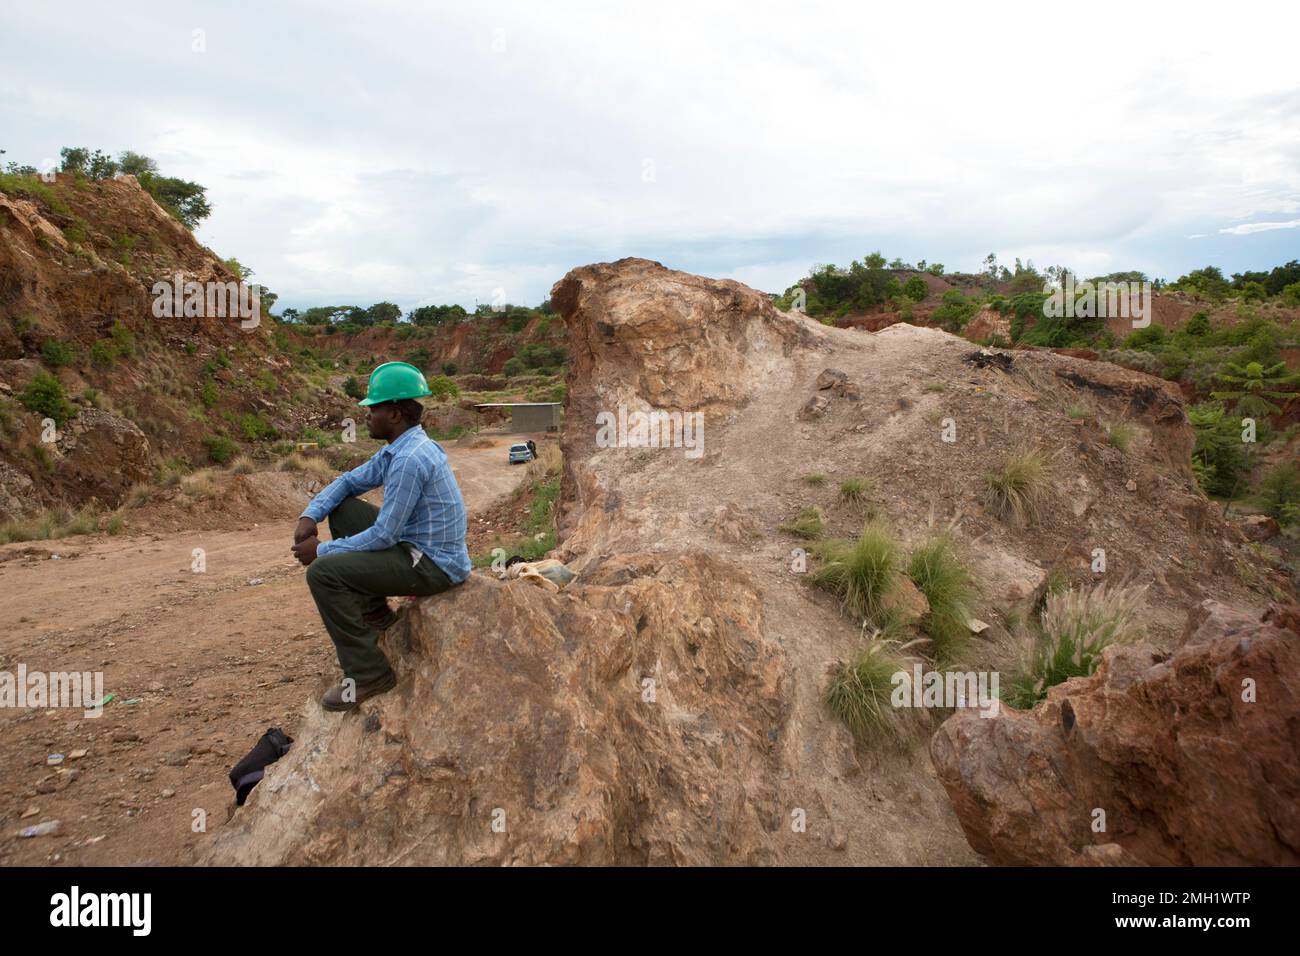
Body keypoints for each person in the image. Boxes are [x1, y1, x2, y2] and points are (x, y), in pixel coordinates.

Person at [291, 361, 471, 711]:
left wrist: (322, 550)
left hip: (433, 565)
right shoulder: (399, 448)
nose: (367, 415)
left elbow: (384, 535)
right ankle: (375, 614)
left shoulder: (409, 460)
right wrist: (311, 514)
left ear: (396, 413)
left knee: (322, 574)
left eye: (373, 408)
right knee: (343, 508)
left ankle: (369, 672)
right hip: (416, 547)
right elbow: (349, 481)